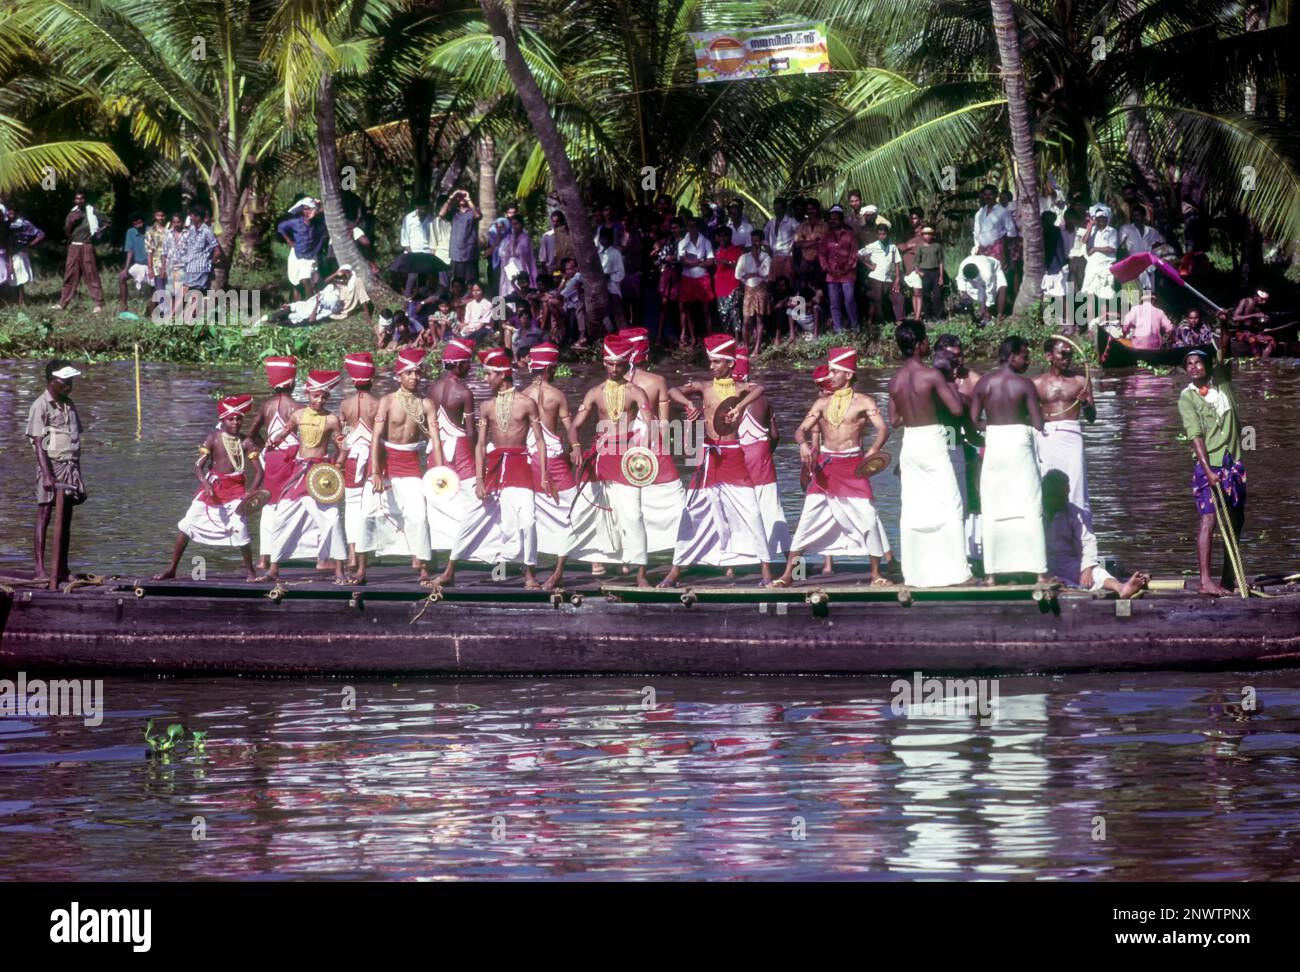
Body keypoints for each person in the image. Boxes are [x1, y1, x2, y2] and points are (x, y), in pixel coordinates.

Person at [660, 334, 772, 587]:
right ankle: (676, 570)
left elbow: (760, 389)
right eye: (711, 362)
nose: (712, 367)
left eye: (718, 362)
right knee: (695, 511)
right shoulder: (704, 387)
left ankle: (766, 571)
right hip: (710, 457)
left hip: (734, 455)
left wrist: (740, 406)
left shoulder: (742, 388)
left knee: (751, 511)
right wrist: (689, 403)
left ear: (731, 364)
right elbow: (672, 390)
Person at [435, 347, 552, 588]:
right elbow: (479, 445)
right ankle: (450, 570)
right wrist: (478, 479)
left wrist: (544, 474)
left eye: (489, 374)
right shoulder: (487, 406)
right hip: (495, 468)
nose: (485, 379)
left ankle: (529, 572)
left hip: (520, 467)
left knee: (528, 521)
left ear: (502, 375)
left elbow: (539, 440)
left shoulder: (527, 403)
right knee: (473, 517)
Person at [775, 346, 891, 587]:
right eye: (829, 371)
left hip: (853, 468)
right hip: (825, 470)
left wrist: (873, 451)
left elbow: (883, 428)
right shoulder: (821, 403)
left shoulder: (864, 401)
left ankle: (876, 575)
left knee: (868, 519)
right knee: (807, 520)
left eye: (834, 371)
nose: (830, 375)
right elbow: (800, 430)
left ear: (848, 375)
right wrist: (803, 445)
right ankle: (787, 575)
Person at [550, 335, 652, 588]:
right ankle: (559, 571)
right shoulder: (595, 393)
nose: (615, 369)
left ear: (627, 364)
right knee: (580, 514)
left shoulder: (636, 392)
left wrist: (645, 449)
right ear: (604, 363)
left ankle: (641, 575)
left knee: (634, 515)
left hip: (628, 461)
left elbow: (651, 424)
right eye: (610, 364)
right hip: (599, 459)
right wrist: (575, 448)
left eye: (619, 364)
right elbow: (574, 426)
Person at [888, 324, 973, 588]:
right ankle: (960, 572)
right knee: (950, 503)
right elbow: (957, 409)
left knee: (914, 506)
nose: (927, 344)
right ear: (920, 345)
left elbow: (894, 420)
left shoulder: (895, 381)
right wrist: (946, 385)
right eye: (925, 341)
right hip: (933, 439)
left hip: (910, 441)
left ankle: (914, 573)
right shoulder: (932, 376)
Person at [154, 395, 263, 582]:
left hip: (237, 491)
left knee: (240, 528)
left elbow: (260, 472)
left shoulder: (246, 442)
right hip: (213, 488)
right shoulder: (213, 439)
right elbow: (198, 466)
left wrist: (250, 492)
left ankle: (251, 572)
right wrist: (205, 484)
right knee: (186, 524)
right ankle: (172, 569)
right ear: (222, 420)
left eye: (239, 418)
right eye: (231, 418)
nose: (236, 422)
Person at [969, 337, 1048, 583]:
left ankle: (991, 573)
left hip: (994, 442)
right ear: (1012, 356)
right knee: (1029, 504)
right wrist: (1021, 419)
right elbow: (1038, 423)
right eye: (1025, 356)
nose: (1028, 361)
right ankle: (1039, 572)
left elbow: (973, 422)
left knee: (993, 505)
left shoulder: (983, 383)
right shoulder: (1024, 385)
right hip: (1018, 443)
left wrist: (993, 425)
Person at [365, 347, 444, 585]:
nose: (414, 377)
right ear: (398, 376)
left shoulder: (427, 404)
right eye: (408, 373)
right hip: (386, 465)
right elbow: (375, 439)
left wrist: (440, 475)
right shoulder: (386, 402)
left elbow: (436, 442)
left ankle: (422, 565)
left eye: (417, 373)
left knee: (418, 517)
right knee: (367, 515)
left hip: (412, 468)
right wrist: (375, 472)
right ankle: (360, 569)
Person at [1179, 323, 1246, 595]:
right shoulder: (1187, 397)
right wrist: (1207, 470)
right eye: (1189, 364)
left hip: (1234, 464)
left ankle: (1230, 578)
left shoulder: (1222, 383)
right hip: (1211, 466)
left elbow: (1226, 349)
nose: (1194, 367)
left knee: (1237, 520)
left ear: (1208, 365)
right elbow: (1196, 436)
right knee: (1209, 520)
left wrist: (1223, 325)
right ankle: (1205, 581)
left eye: (1198, 362)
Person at [263, 370, 347, 584]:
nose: (320, 400)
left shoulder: (331, 419)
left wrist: (337, 466)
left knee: (332, 519)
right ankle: (273, 569)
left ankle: (340, 571)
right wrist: (273, 443)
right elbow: (283, 433)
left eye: (324, 396)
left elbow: (343, 447)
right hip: (299, 472)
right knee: (283, 515)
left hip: (321, 475)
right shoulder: (298, 415)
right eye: (316, 395)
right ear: (307, 393)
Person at [622, 327, 687, 558]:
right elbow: (664, 423)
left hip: (622, 444)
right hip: (652, 444)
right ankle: (677, 547)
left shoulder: (614, 383)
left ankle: (633, 550)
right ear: (646, 355)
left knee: (629, 496)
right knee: (672, 495)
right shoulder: (657, 381)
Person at [1042, 470, 1148, 598]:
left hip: (1066, 561)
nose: (1065, 500)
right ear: (1047, 494)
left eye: (1066, 495)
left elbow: (1088, 542)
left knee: (1096, 574)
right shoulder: (1034, 514)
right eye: (1061, 496)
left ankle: (1121, 588)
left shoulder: (1075, 513)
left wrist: (1087, 570)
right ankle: (1071, 590)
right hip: (1041, 565)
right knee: (1056, 582)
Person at [521, 343, 579, 574]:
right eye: (554, 368)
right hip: (552, 457)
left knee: (534, 506)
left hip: (530, 457)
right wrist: (575, 448)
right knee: (574, 505)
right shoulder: (558, 396)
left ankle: (538, 555)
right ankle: (593, 559)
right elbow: (570, 427)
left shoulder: (522, 395)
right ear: (549, 369)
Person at [27, 360, 86, 583]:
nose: (69, 385)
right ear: (52, 380)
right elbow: (38, 442)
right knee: (44, 515)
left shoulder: (69, 405)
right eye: (65, 380)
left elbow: (74, 440)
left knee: (66, 519)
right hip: (51, 466)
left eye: (71, 380)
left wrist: (79, 475)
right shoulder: (40, 405)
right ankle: (40, 569)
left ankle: (62, 567)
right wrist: (47, 475)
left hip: (70, 467)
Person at [733, 347, 790, 569]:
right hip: (763, 461)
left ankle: (732, 568)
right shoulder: (763, 401)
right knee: (775, 514)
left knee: (737, 515)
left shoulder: (723, 398)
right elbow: (775, 435)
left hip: (738, 464)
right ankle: (796, 570)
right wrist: (767, 453)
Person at [426, 337, 481, 556]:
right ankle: (470, 549)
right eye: (468, 363)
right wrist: (480, 453)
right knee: (471, 497)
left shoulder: (432, 389)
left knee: (439, 495)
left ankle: (442, 548)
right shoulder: (464, 393)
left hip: (436, 447)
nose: (470, 367)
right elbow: (470, 431)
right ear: (458, 365)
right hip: (460, 449)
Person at [1033, 336, 1096, 523]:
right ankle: (1047, 530)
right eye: (1063, 353)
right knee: (1045, 483)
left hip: (1072, 437)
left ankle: (1079, 531)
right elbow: (1026, 415)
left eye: (1070, 354)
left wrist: (1085, 403)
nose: (1067, 358)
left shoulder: (1080, 381)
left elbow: (1092, 418)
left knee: (1076, 487)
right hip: (1045, 437)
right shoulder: (1036, 383)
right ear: (1049, 356)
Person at [246, 356, 299, 572]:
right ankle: (317, 556)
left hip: (270, 459)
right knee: (298, 505)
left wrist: (265, 447)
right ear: (293, 382)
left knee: (269, 506)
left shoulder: (266, 407)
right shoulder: (298, 407)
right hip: (293, 460)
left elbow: (249, 436)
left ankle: (263, 558)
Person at [339, 352, 380, 580]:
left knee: (352, 506)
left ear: (354, 381)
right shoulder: (378, 404)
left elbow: (344, 438)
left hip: (353, 459)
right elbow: (380, 435)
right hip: (373, 459)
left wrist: (340, 459)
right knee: (371, 507)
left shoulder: (345, 405)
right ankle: (370, 551)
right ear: (371, 380)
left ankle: (353, 553)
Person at [52, 191, 104, 313]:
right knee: (70, 274)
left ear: (85, 200)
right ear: (74, 201)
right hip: (74, 246)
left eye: (81, 198)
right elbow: (67, 232)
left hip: (87, 246)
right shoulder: (72, 214)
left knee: (91, 274)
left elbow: (107, 222)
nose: (79, 201)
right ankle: (62, 303)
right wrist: (72, 222)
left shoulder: (92, 211)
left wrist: (97, 234)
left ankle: (99, 304)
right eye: (77, 199)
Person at [262, 265, 361, 326]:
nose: (342, 278)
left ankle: (270, 321)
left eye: (345, 275)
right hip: (308, 304)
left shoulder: (343, 293)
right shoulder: (333, 286)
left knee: (286, 319)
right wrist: (336, 274)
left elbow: (311, 320)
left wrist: (317, 304)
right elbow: (325, 283)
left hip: (310, 311)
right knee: (289, 309)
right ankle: (268, 319)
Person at [277, 197, 326, 301]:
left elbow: (326, 211)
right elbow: (281, 228)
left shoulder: (318, 222)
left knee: (305, 279)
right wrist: (289, 241)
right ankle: (299, 308)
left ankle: (311, 307)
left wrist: (319, 205)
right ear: (301, 211)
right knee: (296, 283)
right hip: (296, 256)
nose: (307, 212)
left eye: (310, 209)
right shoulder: (295, 222)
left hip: (310, 256)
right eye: (305, 209)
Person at [819, 205, 859, 333]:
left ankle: (855, 328)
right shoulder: (827, 236)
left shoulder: (850, 235)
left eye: (835, 219)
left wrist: (846, 268)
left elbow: (854, 254)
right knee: (834, 304)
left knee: (849, 301)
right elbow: (822, 254)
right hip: (831, 275)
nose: (832, 221)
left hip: (847, 274)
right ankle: (838, 331)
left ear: (841, 220)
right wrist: (827, 268)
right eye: (831, 219)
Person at [676, 217, 715, 347]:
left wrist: (691, 262)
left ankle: (710, 338)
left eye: (694, 226)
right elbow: (682, 261)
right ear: (687, 227)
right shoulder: (682, 243)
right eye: (689, 226)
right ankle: (693, 338)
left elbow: (710, 261)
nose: (691, 228)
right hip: (687, 278)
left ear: (698, 227)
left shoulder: (706, 242)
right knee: (688, 310)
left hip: (703, 277)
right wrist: (698, 261)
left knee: (706, 311)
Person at [859, 223, 904, 328]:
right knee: (877, 299)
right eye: (879, 234)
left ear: (887, 234)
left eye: (884, 234)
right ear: (877, 234)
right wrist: (869, 265)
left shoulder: (892, 246)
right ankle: (881, 322)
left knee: (898, 296)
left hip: (888, 278)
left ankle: (900, 320)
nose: (881, 236)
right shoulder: (874, 246)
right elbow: (859, 254)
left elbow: (897, 262)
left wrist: (897, 279)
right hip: (876, 277)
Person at [735, 229, 771, 353]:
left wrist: (756, 260)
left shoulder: (766, 257)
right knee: (746, 319)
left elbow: (765, 273)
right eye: (753, 240)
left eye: (757, 241)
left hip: (761, 289)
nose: (754, 243)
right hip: (749, 289)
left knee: (760, 319)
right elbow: (738, 274)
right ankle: (745, 346)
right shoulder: (744, 257)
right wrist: (754, 274)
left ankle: (757, 347)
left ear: (761, 242)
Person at [395, 197, 439, 297]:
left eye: (425, 209)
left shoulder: (431, 220)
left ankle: (421, 299)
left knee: (425, 277)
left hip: (427, 253)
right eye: (421, 209)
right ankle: (407, 300)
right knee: (412, 277)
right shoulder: (409, 218)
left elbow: (434, 239)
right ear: (417, 207)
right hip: (413, 253)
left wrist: (432, 254)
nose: (423, 211)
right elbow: (405, 239)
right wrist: (411, 254)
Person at [3, 207, 44, 305]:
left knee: (19, 278)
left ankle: (22, 301)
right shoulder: (7, 224)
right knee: (12, 278)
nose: (10, 216)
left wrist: (30, 245)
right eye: (8, 214)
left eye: (12, 214)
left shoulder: (24, 223)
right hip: (9, 253)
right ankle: (17, 300)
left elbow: (40, 234)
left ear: (17, 214)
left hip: (19, 253)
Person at [1079, 204, 1118, 307]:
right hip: (1092, 266)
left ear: (1107, 219)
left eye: (1103, 218)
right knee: (1090, 293)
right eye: (1098, 218)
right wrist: (1090, 226)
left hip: (1105, 266)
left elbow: (1112, 248)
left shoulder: (1112, 231)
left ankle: (1105, 320)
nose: (1101, 220)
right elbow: (1084, 241)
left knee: (1106, 294)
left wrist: (1096, 249)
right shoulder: (1093, 230)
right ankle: (1091, 321)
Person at [956, 254, 1007, 322]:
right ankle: (976, 313)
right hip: (981, 270)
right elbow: (960, 279)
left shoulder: (987, 273)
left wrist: (987, 308)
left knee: (1002, 288)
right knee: (976, 294)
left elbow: (990, 291)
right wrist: (964, 293)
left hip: (995, 268)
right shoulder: (963, 265)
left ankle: (999, 316)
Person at [496, 214, 537, 300]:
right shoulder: (508, 238)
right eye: (513, 224)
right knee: (509, 286)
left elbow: (526, 256)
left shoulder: (526, 239)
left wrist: (516, 246)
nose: (514, 226)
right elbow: (502, 253)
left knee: (520, 285)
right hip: (510, 266)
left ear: (522, 225)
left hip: (521, 266)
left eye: (516, 224)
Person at [445, 189, 482, 284]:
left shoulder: (473, 211)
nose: (462, 198)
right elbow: (441, 215)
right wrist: (451, 197)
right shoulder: (454, 212)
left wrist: (468, 199)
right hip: (457, 252)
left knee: (472, 281)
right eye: (459, 196)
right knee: (458, 282)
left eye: (463, 196)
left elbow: (478, 216)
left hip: (470, 252)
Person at [713, 226, 744, 336]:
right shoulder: (717, 251)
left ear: (730, 237)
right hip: (720, 287)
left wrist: (727, 262)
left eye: (725, 236)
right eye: (720, 236)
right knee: (723, 314)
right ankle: (729, 339)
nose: (722, 238)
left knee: (735, 312)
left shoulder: (737, 250)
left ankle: (738, 340)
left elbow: (740, 266)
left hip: (733, 285)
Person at [118, 213, 151, 313]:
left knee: (155, 285)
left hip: (150, 264)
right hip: (138, 264)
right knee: (121, 277)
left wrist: (151, 267)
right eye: (135, 223)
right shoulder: (130, 232)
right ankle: (123, 306)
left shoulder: (150, 230)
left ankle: (153, 309)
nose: (138, 225)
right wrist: (125, 268)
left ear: (143, 221)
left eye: (140, 222)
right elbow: (130, 251)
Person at [973, 184, 1012, 264]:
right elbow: (976, 233)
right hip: (982, 251)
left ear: (995, 195)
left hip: (997, 250)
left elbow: (1011, 231)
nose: (987, 197)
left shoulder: (1003, 211)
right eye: (985, 195)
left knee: (998, 275)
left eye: (990, 194)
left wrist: (1004, 247)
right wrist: (977, 247)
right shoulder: (979, 214)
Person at [1231, 289, 1276, 358]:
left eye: (1265, 300)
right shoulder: (1245, 301)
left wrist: (1264, 320)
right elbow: (1235, 318)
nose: (1264, 302)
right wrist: (1254, 315)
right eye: (1262, 299)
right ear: (1255, 297)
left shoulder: (1258, 307)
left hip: (1255, 333)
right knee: (1253, 340)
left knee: (1271, 340)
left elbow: (1256, 322)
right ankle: (1256, 360)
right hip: (1242, 333)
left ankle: (1264, 359)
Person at [596, 226, 626, 329]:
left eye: (605, 238)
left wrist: (609, 276)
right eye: (601, 238)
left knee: (617, 312)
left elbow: (621, 273)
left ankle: (622, 333)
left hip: (612, 287)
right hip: (599, 288)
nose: (602, 240)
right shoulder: (598, 254)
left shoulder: (615, 253)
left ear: (610, 239)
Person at [764, 198, 799, 284]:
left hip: (787, 257)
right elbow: (763, 236)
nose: (777, 211)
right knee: (773, 284)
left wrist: (793, 247)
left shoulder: (791, 222)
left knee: (787, 284)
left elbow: (800, 234)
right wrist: (767, 247)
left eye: (779, 208)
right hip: (774, 257)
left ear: (784, 209)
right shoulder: (771, 222)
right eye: (775, 208)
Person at [537, 209, 574, 279]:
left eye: (557, 221)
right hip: (552, 268)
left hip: (565, 267)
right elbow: (543, 257)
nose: (555, 224)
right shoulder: (547, 236)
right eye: (553, 221)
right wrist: (545, 274)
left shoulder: (568, 234)